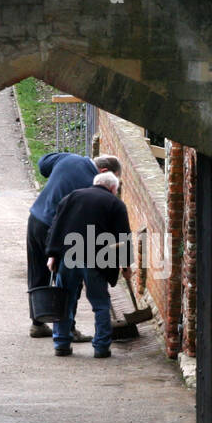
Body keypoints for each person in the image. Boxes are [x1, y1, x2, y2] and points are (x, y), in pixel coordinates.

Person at [27, 152, 121, 338]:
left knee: (37, 270)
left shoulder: (69, 158)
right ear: (104, 172)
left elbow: (43, 165)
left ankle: (37, 324)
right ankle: (68, 329)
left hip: (36, 219)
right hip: (60, 230)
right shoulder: (94, 189)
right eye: (114, 182)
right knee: (69, 278)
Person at [45, 172, 132, 358]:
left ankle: (61, 343)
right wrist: (126, 267)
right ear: (112, 188)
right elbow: (123, 237)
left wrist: (52, 254)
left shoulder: (71, 197)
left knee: (64, 302)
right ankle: (101, 348)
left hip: (68, 257)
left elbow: (56, 226)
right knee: (100, 304)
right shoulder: (115, 204)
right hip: (96, 260)